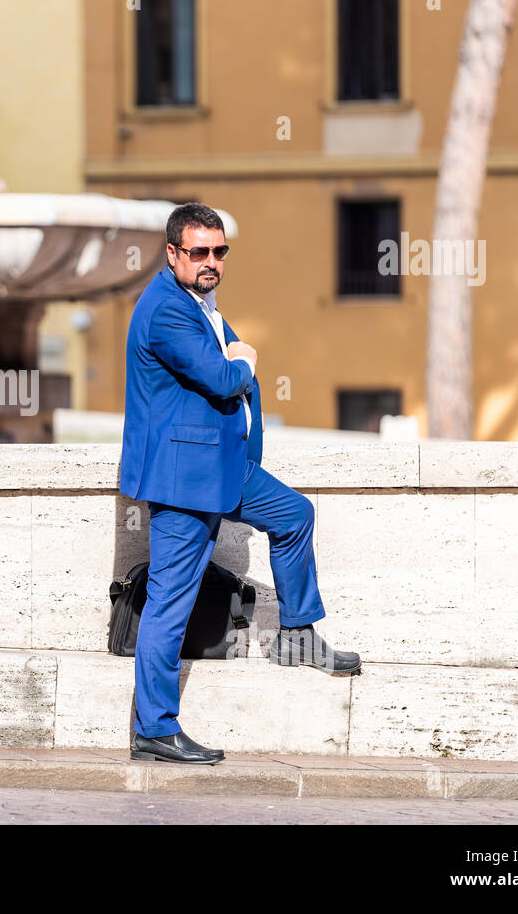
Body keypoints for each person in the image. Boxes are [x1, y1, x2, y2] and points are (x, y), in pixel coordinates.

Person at [118, 202, 361, 765]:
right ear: (173, 252)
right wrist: (244, 362)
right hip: (182, 480)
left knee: (294, 514)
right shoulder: (168, 311)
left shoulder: (199, 301)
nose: (211, 262)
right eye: (198, 252)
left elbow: (228, 366)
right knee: (169, 604)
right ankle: (153, 729)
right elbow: (226, 376)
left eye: (219, 251)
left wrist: (237, 360)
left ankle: (297, 636)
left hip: (224, 467)